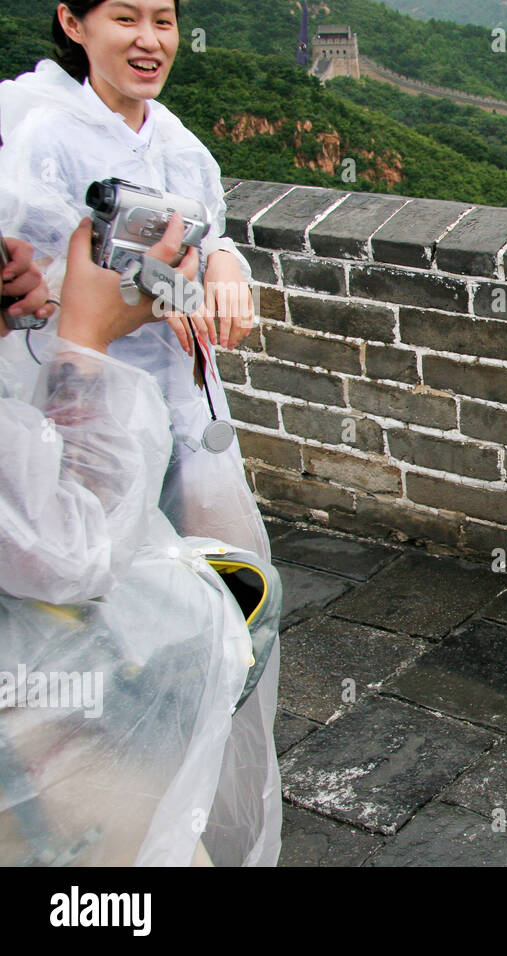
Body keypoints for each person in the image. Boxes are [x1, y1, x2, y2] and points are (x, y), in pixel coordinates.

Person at [0, 2, 281, 861]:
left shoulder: (181, 144)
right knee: (100, 632)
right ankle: (113, 823)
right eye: (127, 16)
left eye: (164, 18)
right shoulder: (40, 131)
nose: (151, 39)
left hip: (181, 418)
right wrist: (79, 319)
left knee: (230, 622)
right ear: (73, 22)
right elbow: (41, 281)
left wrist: (224, 262)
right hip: (77, 427)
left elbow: (208, 232)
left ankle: (197, 809)